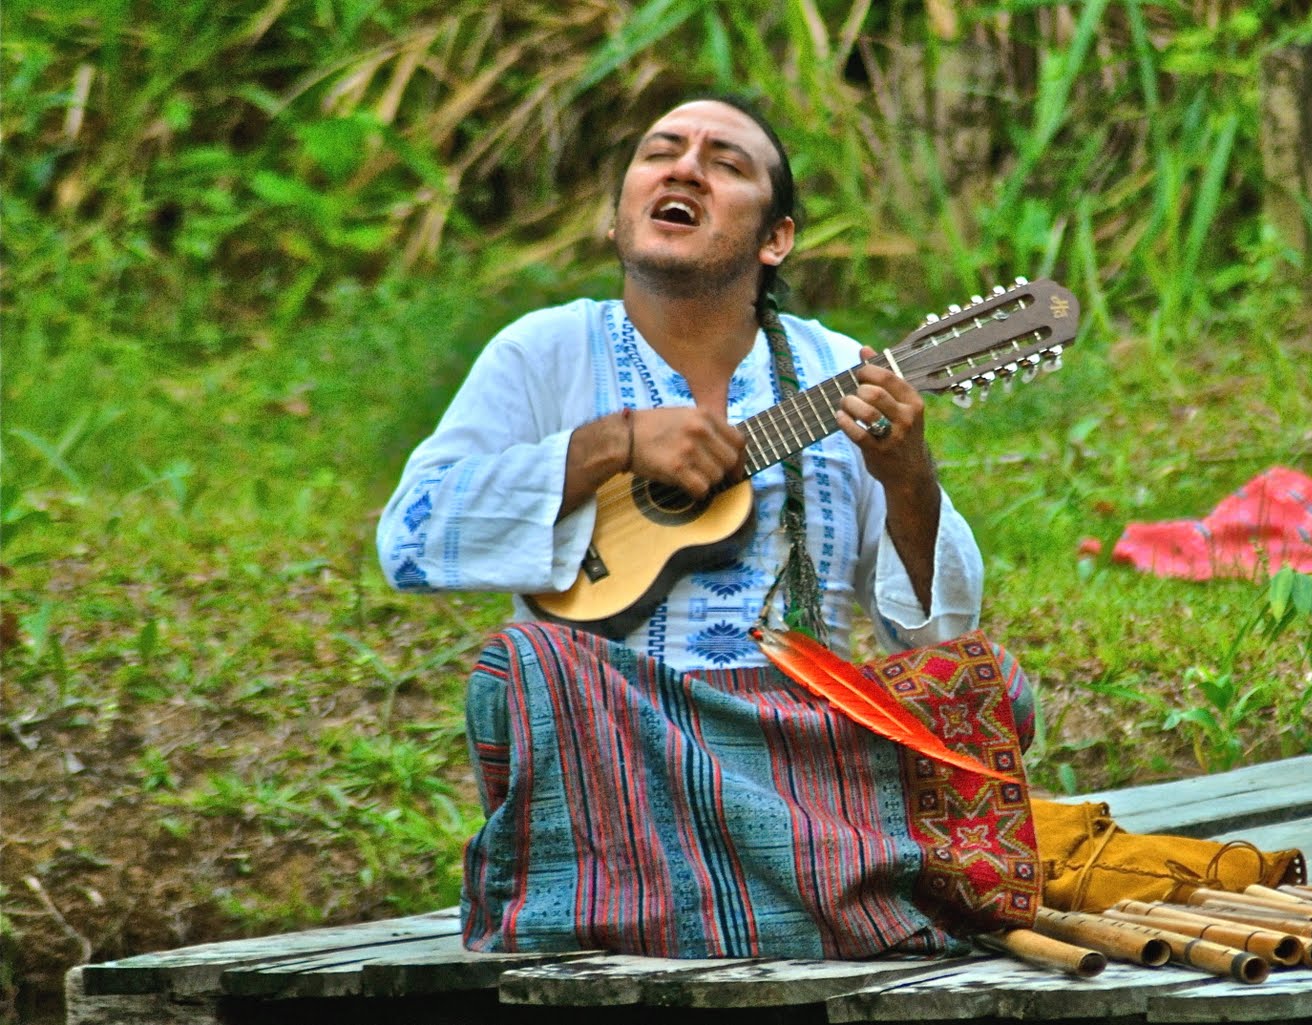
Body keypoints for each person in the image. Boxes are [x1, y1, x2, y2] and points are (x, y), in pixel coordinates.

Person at [376, 94, 1035, 960]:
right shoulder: (543, 352)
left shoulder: (843, 371)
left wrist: (907, 474)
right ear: (617, 218)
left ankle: (689, 892)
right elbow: (412, 538)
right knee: (529, 665)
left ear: (776, 239)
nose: (684, 168)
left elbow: (938, 630)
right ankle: (831, 890)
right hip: (624, 734)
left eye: (724, 163)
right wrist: (609, 444)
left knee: (987, 681)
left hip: (801, 742)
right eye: (660, 153)